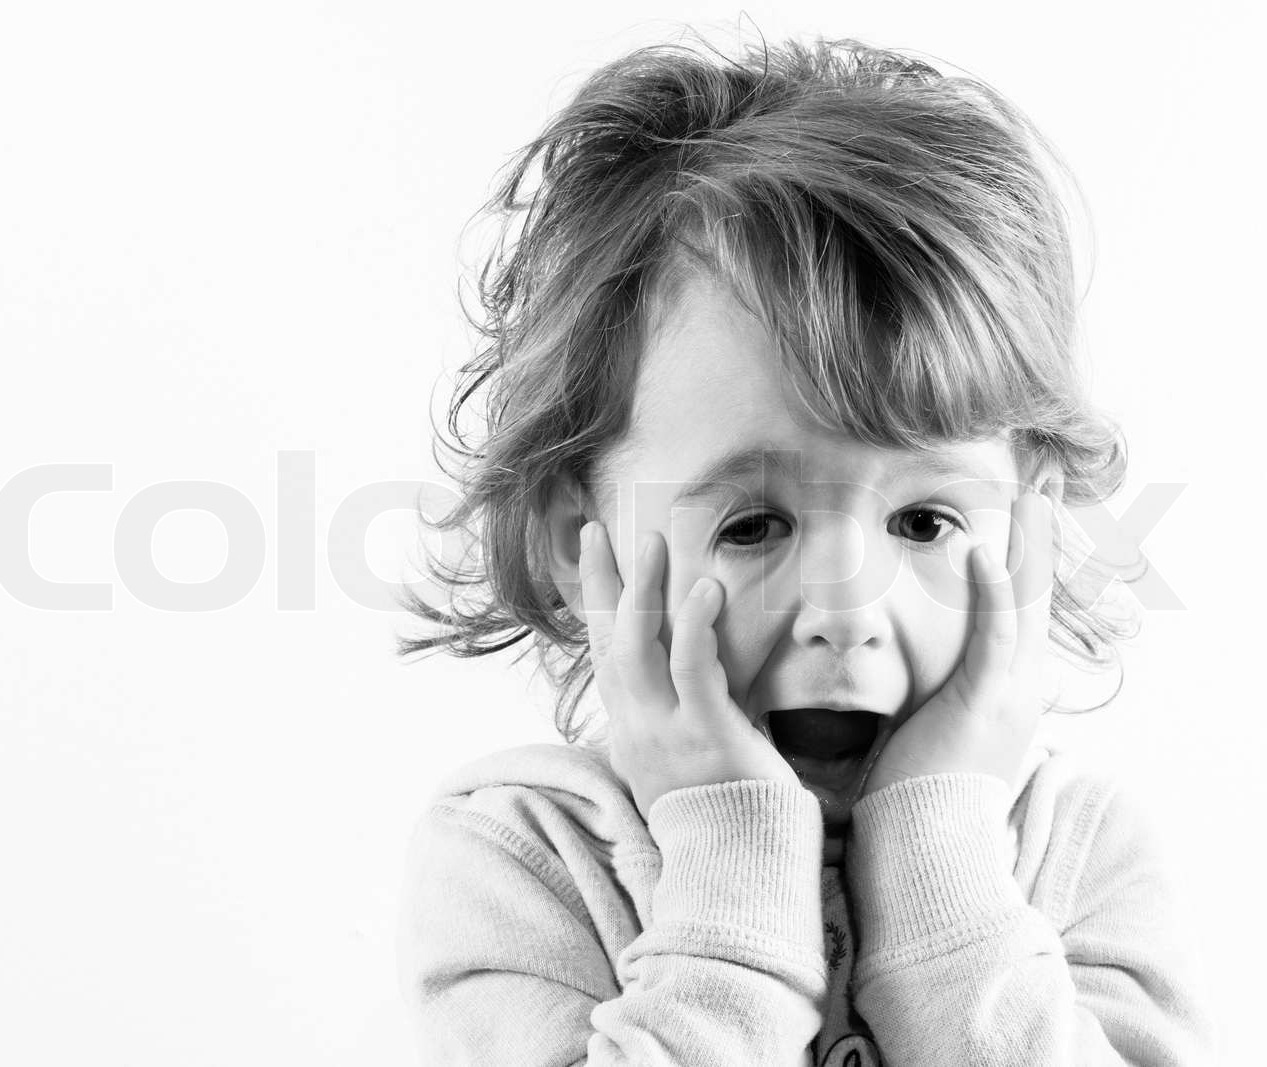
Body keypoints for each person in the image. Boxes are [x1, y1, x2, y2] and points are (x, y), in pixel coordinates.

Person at [393, 32, 1214, 1066]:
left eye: (922, 520)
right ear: (578, 541)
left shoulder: (1078, 850)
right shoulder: (526, 856)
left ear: (1028, 535)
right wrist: (734, 860)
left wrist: (940, 858)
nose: (846, 607)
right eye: (753, 524)